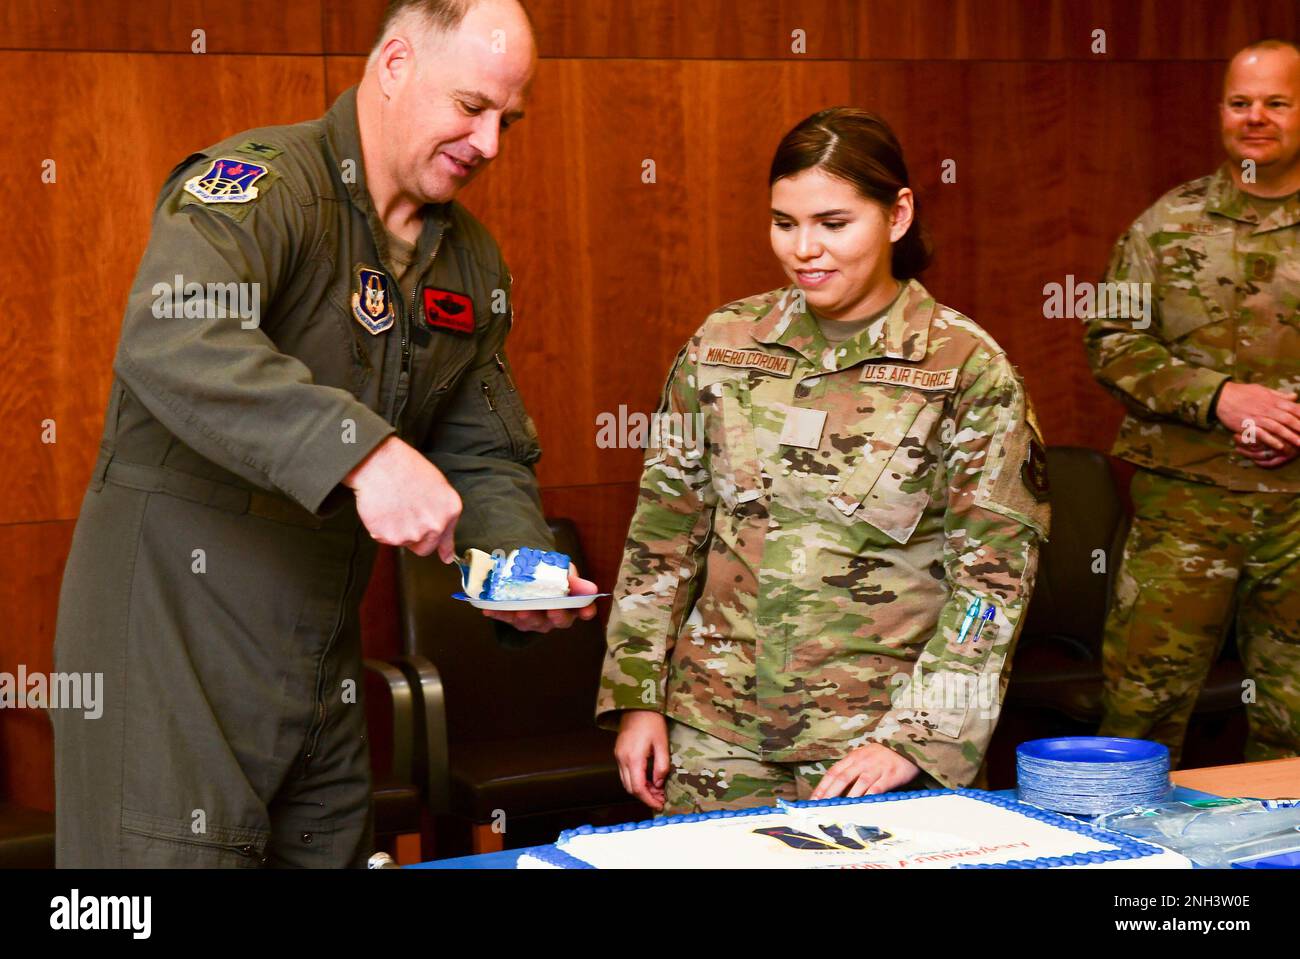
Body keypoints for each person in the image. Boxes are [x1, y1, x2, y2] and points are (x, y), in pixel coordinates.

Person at [53, 0, 595, 868]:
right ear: (392, 65)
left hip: (319, 672)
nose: (491, 143)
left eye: (509, 119)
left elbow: (481, 444)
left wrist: (514, 565)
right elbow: (174, 334)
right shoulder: (263, 183)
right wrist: (366, 452)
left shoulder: (469, 260)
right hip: (171, 657)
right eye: (470, 107)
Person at [596, 108, 1050, 814]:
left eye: (833, 223)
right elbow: (662, 534)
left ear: (897, 215)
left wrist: (915, 738)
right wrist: (637, 696)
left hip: (875, 746)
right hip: (715, 737)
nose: (804, 248)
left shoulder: (967, 369)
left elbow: (991, 589)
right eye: (785, 222)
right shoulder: (722, 344)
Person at [1085, 39, 1300, 768]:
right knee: (1140, 714)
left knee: (1294, 718)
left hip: (1299, 517)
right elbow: (1109, 340)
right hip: (1186, 512)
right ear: (1221, 114)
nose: (1257, 118)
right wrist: (1220, 398)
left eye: (1277, 101)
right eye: (1241, 103)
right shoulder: (1163, 223)